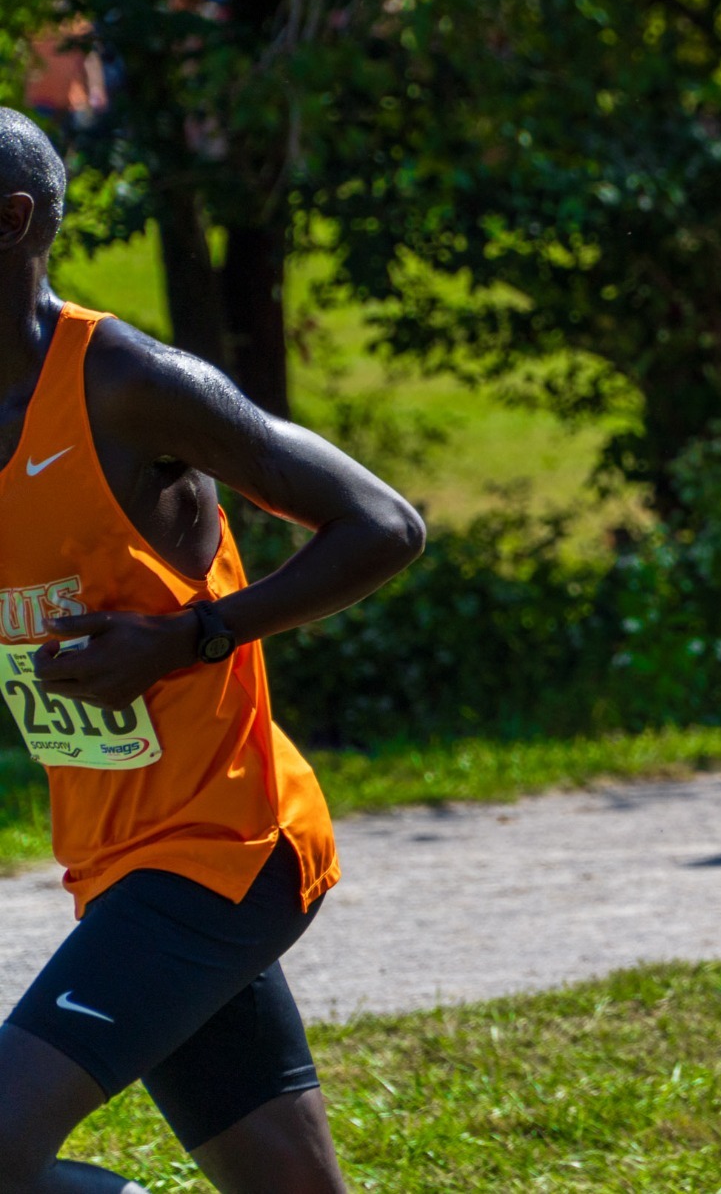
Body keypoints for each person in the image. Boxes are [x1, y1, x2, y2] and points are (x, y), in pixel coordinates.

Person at [0, 107, 425, 1192]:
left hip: (226, 846)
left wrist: (191, 634)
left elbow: (383, 523)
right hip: (112, 858)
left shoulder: (123, 384)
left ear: (12, 223)